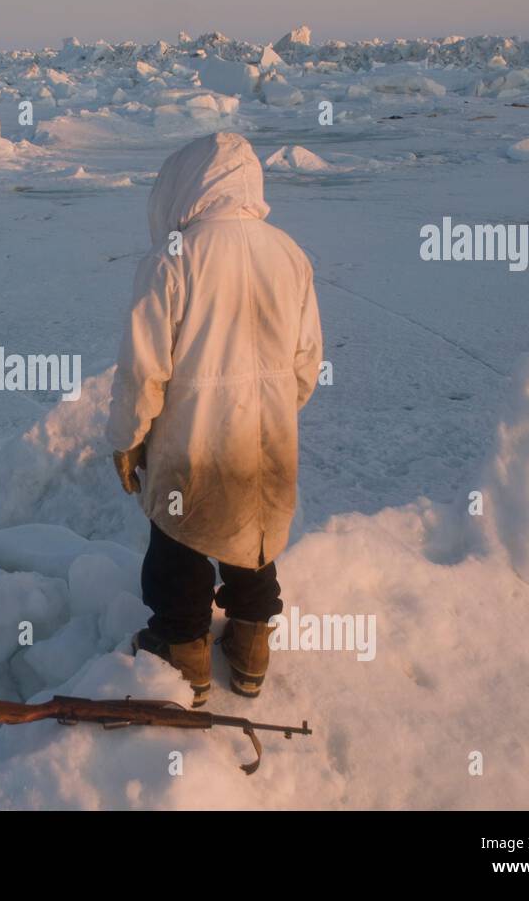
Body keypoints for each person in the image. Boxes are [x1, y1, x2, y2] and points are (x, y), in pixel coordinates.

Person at [108, 132, 323, 706]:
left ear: (188, 185)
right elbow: (307, 363)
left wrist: (128, 439)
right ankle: (251, 643)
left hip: (192, 439)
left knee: (178, 540)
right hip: (268, 440)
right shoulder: (290, 253)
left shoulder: (173, 259)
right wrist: (271, 413)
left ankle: (183, 649)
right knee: (252, 534)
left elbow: (143, 369)